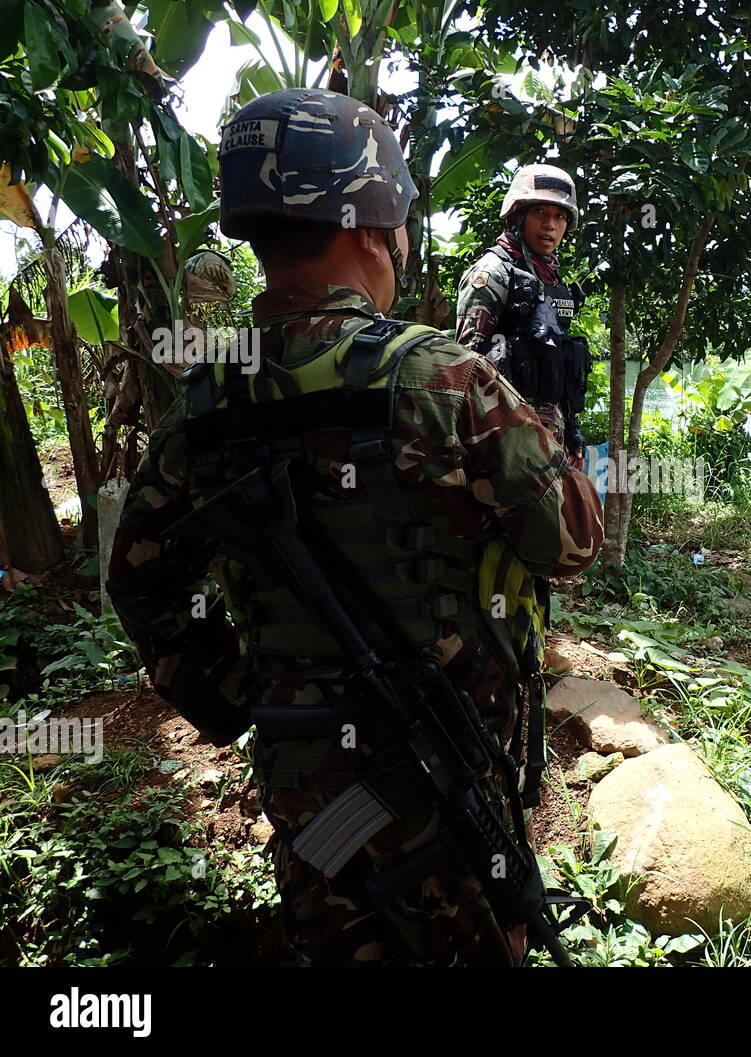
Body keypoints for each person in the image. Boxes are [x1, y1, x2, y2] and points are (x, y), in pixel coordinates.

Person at [105, 89, 603, 966]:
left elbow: (141, 581)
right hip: (449, 779)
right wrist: (555, 430)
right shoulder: (442, 383)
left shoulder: (206, 404)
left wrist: (236, 692)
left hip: (309, 788)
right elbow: (572, 540)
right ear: (371, 231)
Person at [455, 164, 590, 463]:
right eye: (540, 212)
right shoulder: (492, 274)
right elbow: (466, 368)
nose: (551, 225)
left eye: (560, 216)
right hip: (503, 440)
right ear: (517, 216)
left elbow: (558, 364)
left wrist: (573, 432)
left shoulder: (549, 278)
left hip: (550, 438)